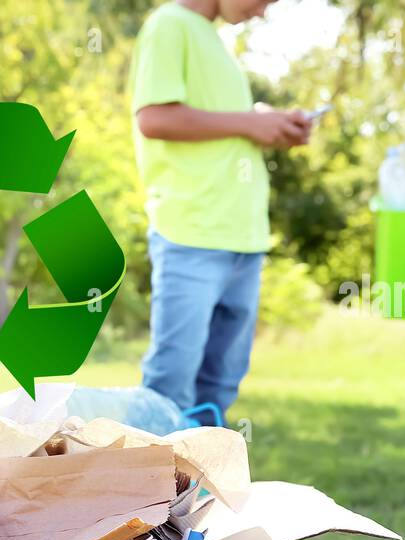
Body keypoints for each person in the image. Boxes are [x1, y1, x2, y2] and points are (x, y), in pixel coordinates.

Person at [131, 0, 311, 420]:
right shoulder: (169, 25)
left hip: (243, 239)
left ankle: (202, 480)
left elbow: (220, 125)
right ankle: (151, 482)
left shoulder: (215, 40)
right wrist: (250, 123)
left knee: (220, 384)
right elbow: (155, 118)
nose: (263, 11)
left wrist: (266, 122)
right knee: (170, 384)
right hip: (191, 234)